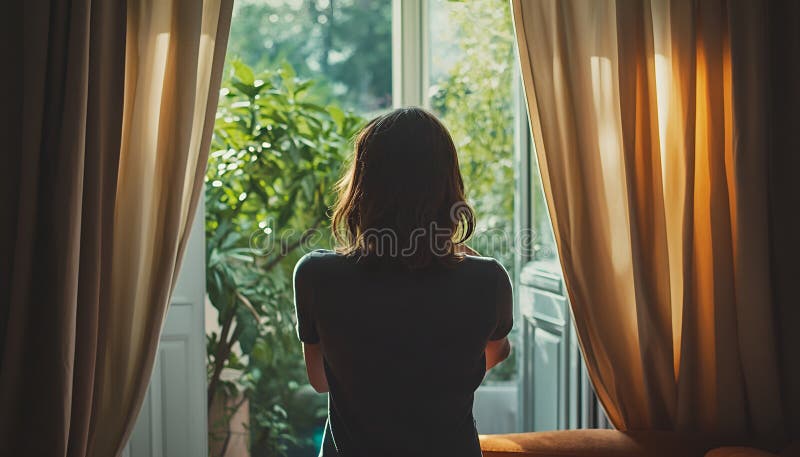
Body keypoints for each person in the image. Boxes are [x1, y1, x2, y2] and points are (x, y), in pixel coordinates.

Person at [293, 107, 513, 457]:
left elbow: (320, 381)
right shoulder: (488, 279)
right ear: (448, 187)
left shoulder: (317, 275)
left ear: (362, 188)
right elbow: (493, 353)